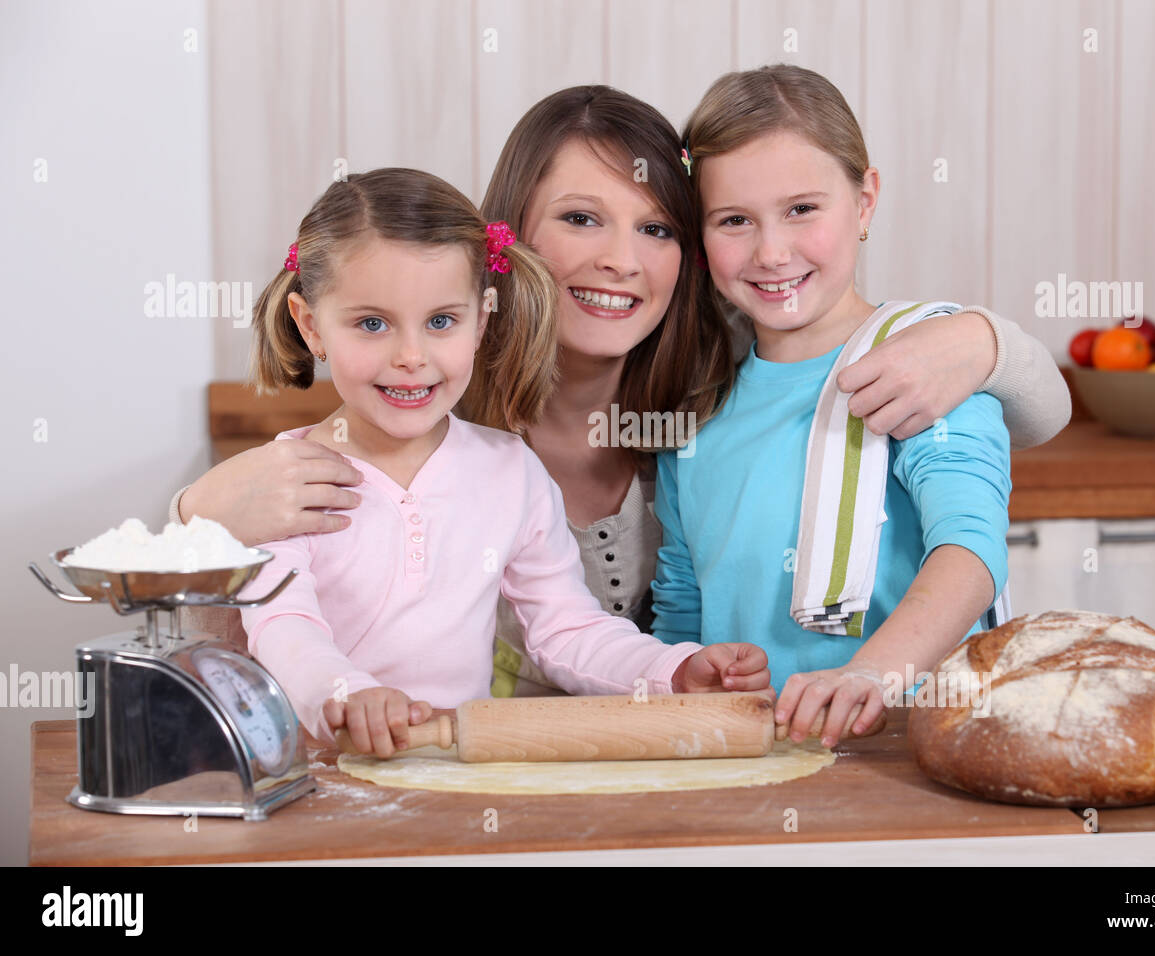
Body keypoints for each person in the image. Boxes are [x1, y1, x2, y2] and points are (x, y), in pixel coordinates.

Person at [169, 85, 1069, 703]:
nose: (622, 261)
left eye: (657, 228)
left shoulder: (712, 405)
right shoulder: (414, 404)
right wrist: (192, 513)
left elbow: (1027, 426)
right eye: (580, 219)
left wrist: (981, 337)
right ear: (506, 241)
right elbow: (227, 652)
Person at [233, 167, 768, 755]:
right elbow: (283, 626)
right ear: (311, 326)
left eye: (441, 322)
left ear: (481, 321)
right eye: (371, 323)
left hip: (455, 775)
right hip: (320, 781)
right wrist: (348, 694)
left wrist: (672, 671)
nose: (411, 357)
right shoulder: (281, 483)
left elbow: (566, 632)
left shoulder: (509, 471)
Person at [651, 65, 1015, 748]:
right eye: (734, 220)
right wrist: (682, 676)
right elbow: (681, 605)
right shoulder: (698, 401)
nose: (772, 251)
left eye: (802, 209)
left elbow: (970, 552)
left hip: (912, 750)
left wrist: (869, 676)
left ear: (865, 200)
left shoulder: (925, 364)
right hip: (749, 758)